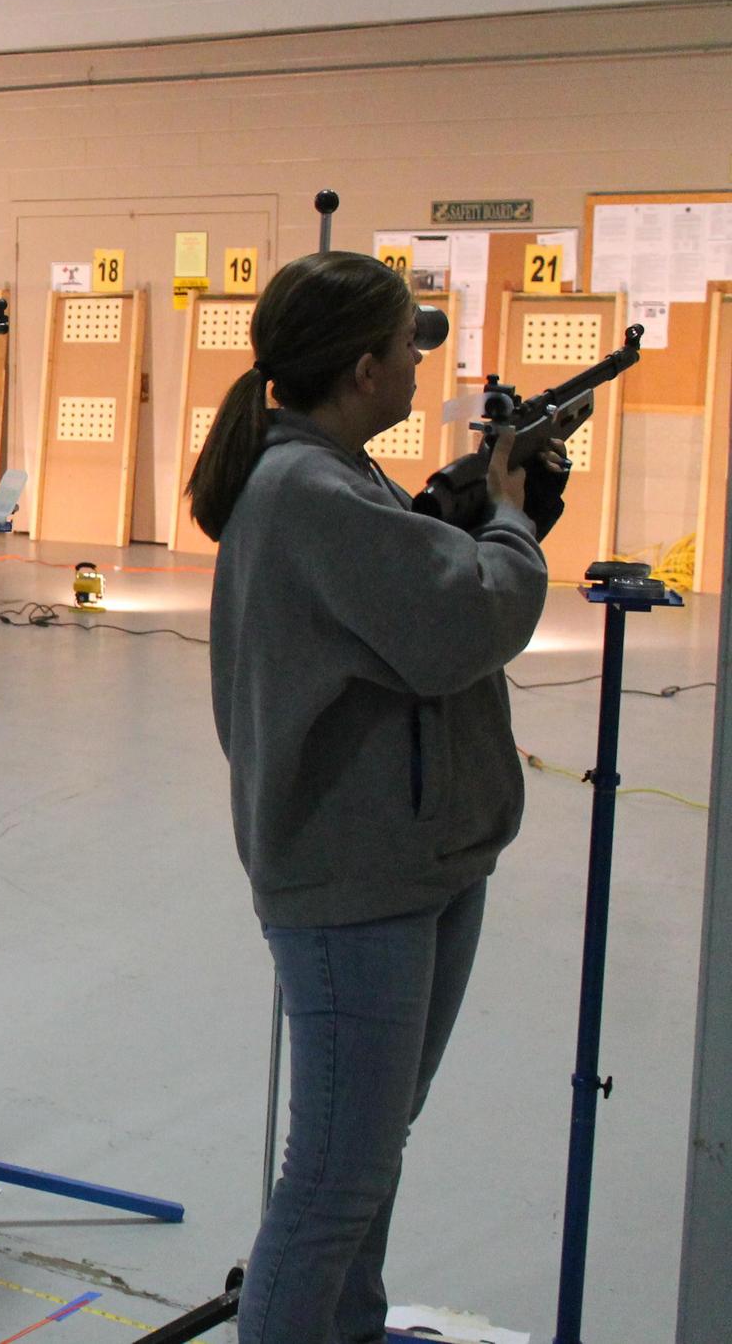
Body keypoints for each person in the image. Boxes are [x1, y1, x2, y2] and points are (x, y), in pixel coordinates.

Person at [187, 250, 550, 1344]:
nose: (413, 364)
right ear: (360, 368)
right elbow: (462, 623)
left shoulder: (333, 475)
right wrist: (509, 521)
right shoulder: (310, 489)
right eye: (403, 347)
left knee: (368, 1144)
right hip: (356, 881)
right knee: (336, 1176)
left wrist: (455, 516)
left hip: (404, 857)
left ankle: (342, 1328)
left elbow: (400, 600)